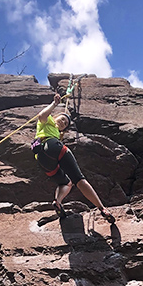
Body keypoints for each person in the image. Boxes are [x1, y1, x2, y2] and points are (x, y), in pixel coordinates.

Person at [33, 94, 114, 222]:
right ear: (55, 117)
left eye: (65, 123)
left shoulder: (56, 132)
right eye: (62, 119)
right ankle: (102, 208)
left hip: (43, 159)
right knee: (79, 179)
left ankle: (58, 202)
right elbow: (42, 115)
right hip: (52, 147)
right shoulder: (48, 121)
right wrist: (54, 104)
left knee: (66, 183)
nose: (63, 122)